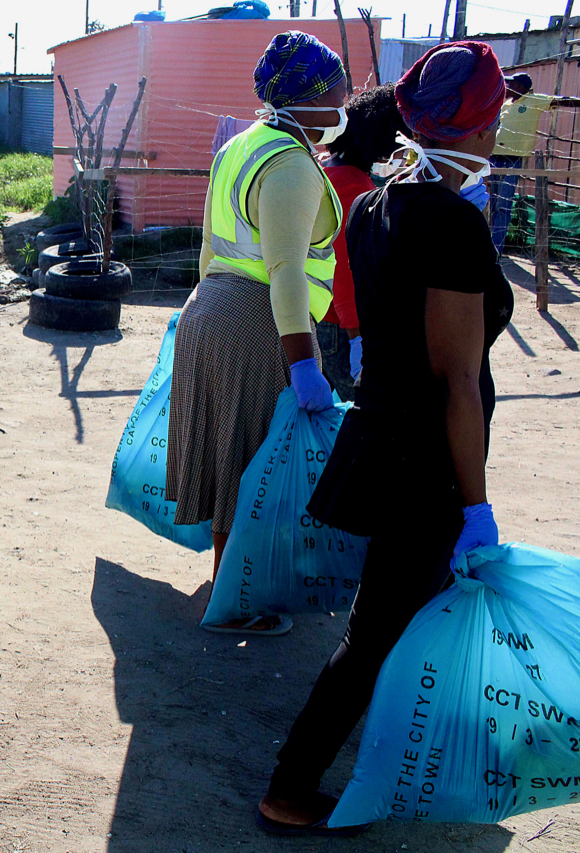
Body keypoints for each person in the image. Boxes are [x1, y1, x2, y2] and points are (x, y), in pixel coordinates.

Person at [258, 41, 512, 835]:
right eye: (496, 116)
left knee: (411, 622)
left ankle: (423, 764)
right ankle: (291, 784)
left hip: (383, 435)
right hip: (426, 461)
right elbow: (457, 380)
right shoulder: (450, 224)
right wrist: (474, 503)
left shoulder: (377, 202)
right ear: (477, 127)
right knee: (375, 635)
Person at [165, 31, 347, 636]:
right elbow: (286, 271)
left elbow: (209, 243)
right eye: (339, 91)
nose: (347, 102)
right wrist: (304, 362)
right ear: (311, 99)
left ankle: (229, 582)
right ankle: (237, 601)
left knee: (232, 455)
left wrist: (195, 308)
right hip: (257, 320)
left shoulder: (240, 146)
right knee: (252, 461)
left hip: (212, 307)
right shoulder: (291, 164)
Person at [317, 84, 408, 401]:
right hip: (339, 327)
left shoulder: (320, 170)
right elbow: (345, 269)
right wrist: (357, 337)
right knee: (354, 417)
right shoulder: (358, 190)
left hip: (310, 316)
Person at [485, 71, 580, 254]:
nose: (507, 88)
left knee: (504, 205)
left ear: (520, 87)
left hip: (513, 160)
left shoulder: (533, 100)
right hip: (495, 157)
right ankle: (489, 244)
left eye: (511, 85)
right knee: (494, 203)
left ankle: (496, 249)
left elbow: (560, 100)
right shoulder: (505, 104)